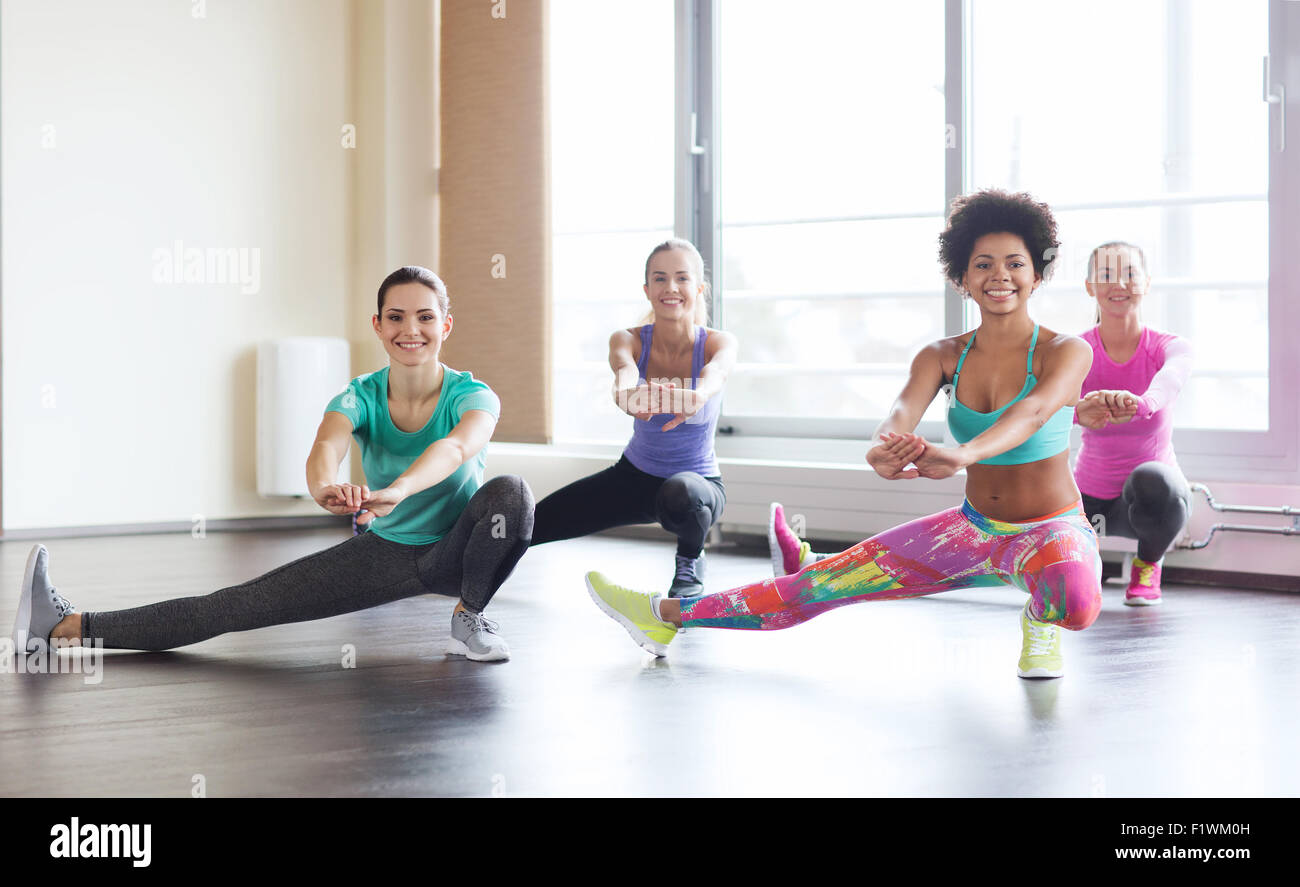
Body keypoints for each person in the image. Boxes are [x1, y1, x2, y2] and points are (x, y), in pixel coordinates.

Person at [586, 190, 1102, 679]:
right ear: (962, 277)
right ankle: (664, 613)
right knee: (813, 590)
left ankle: (1041, 618)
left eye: (1015, 263)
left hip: (1051, 530)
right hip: (971, 529)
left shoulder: (1066, 351)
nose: (1000, 276)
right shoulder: (943, 356)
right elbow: (901, 411)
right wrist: (885, 448)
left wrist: (963, 454)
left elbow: (1034, 413)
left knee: (1075, 604)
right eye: (983, 264)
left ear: (1037, 274)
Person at [12, 266, 534, 663]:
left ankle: (470, 616)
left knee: (511, 494)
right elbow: (325, 447)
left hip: (459, 551)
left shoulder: (473, 394)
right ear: (378, 325)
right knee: (235, 605)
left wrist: (397, 489)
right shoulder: (361, 396)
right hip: (386, 552)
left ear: (446, 323)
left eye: (425, 317)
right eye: (396, 317)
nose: (410, 330)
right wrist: (324, 486)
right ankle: (62, 626)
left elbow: (456, 449)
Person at [530, 239, 738, 598]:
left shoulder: (718, 343)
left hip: (698, 488)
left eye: (681, 278)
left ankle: (690, 564)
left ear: (698, 288)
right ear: (647, 289)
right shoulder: (628, 339)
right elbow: (624, 374)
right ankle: (462, 560)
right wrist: (625, 393)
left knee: (682, 489)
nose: (670, 288)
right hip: (633, 478)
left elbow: (714, 379)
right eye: (660, 278)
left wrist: (696, 396)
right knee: (526, 526)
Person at [1072, 242, 1193, 605]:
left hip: (1149, 503)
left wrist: (1141, 405)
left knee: (1154, 479)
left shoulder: (1169, 345)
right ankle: (1082, 566)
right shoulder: (1075, 351)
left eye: (1128, 273)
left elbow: (1169, 382)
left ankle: (1147, 565)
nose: (1118, 284)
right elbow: (1045, 408)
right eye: (1106, 275)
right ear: (1090, 286)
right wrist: (1081, 410)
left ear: (1147, 282)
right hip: (1089, 500)